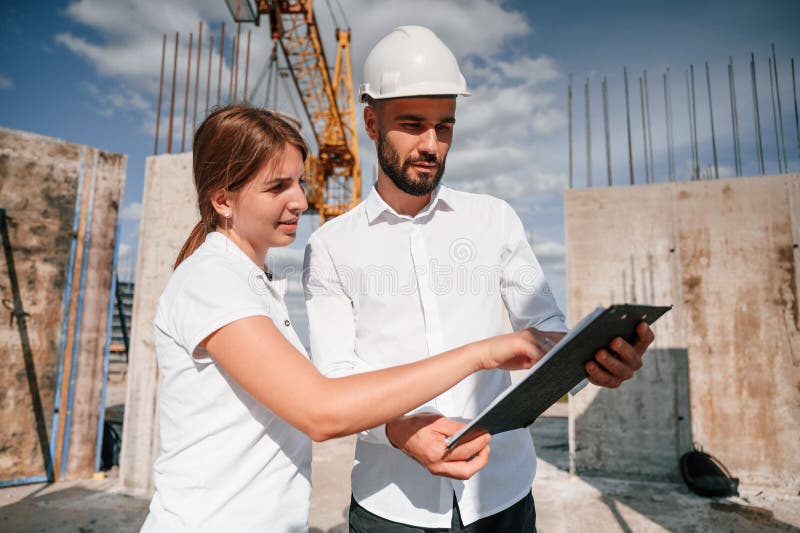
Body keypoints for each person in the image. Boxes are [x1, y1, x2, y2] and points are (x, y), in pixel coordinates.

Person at [302, 26, 655, 532]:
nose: (431, 144)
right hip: (391, 507)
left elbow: (544, 331)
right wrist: (398, 429)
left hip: (502, 497)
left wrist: (592, 361)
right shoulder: (331, 247)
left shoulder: (495, 220)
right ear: (371, 123)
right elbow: (337, 379)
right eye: (412, 124)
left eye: (444, 126)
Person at [140, 104, 548, 533]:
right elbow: (322, 410)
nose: (300, 200)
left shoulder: (249, 280)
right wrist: (479, 354)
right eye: (277, 186)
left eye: (299, 181)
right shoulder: (212, 281)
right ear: (223, 199)